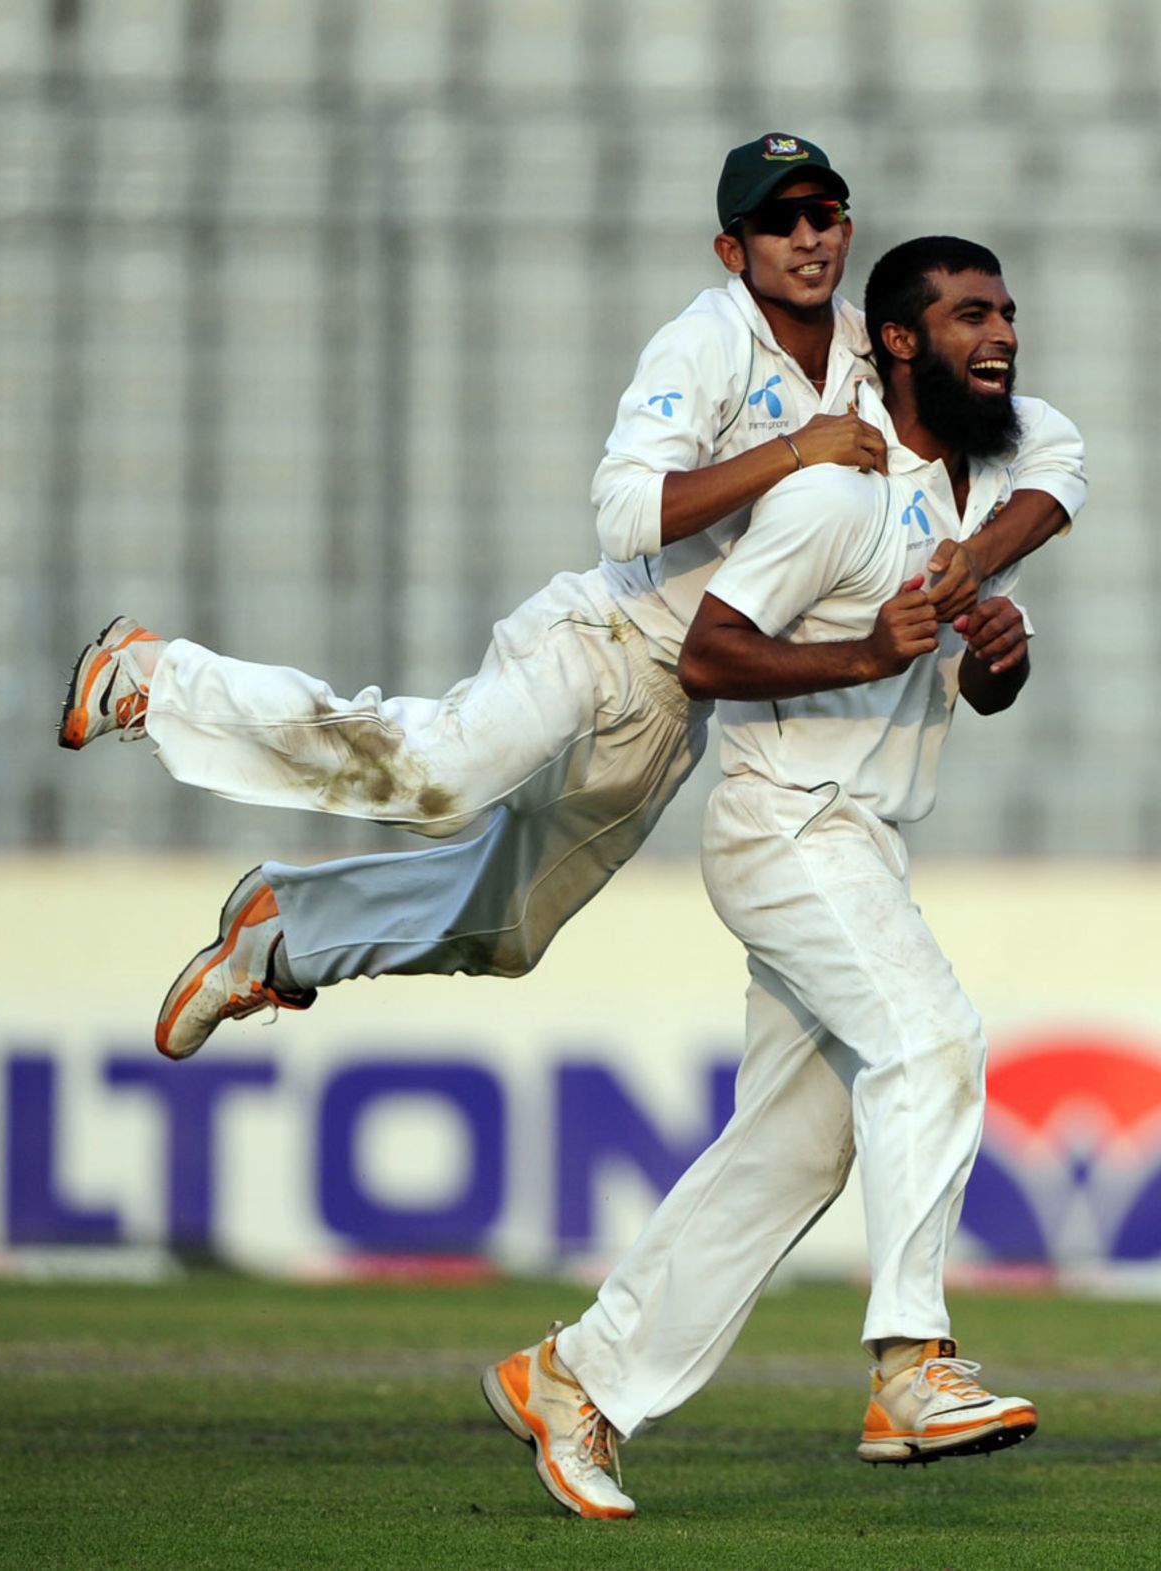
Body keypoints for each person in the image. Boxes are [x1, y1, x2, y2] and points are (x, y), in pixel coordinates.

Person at [58, 135, 1080, 1063]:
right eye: (781, 221)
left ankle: (285, 936)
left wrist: (976, 556)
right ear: (735, 250)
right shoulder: (707, 342)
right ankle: (157, 679)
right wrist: (792, 452)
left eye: (828, 214)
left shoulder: (872, 343)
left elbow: (1054, 450)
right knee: (439, 775)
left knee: (510, 932)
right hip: (603, 636)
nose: (810, 237)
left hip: (684, 700)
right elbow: (625, 513)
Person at [480, 236, 1083, 1520]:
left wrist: (995, 652)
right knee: (931, 1040)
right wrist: (869, 654)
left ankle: (575, 1377)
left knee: (797, 1150)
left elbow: (1034, 535)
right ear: (901, 341)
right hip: (784, 821)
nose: (1005, 331)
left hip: (862, 835)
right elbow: (708, 652)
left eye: (1010, 311)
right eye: (972, 313)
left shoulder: (995, 471)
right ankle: (911, 1366)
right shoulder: (833, 492)